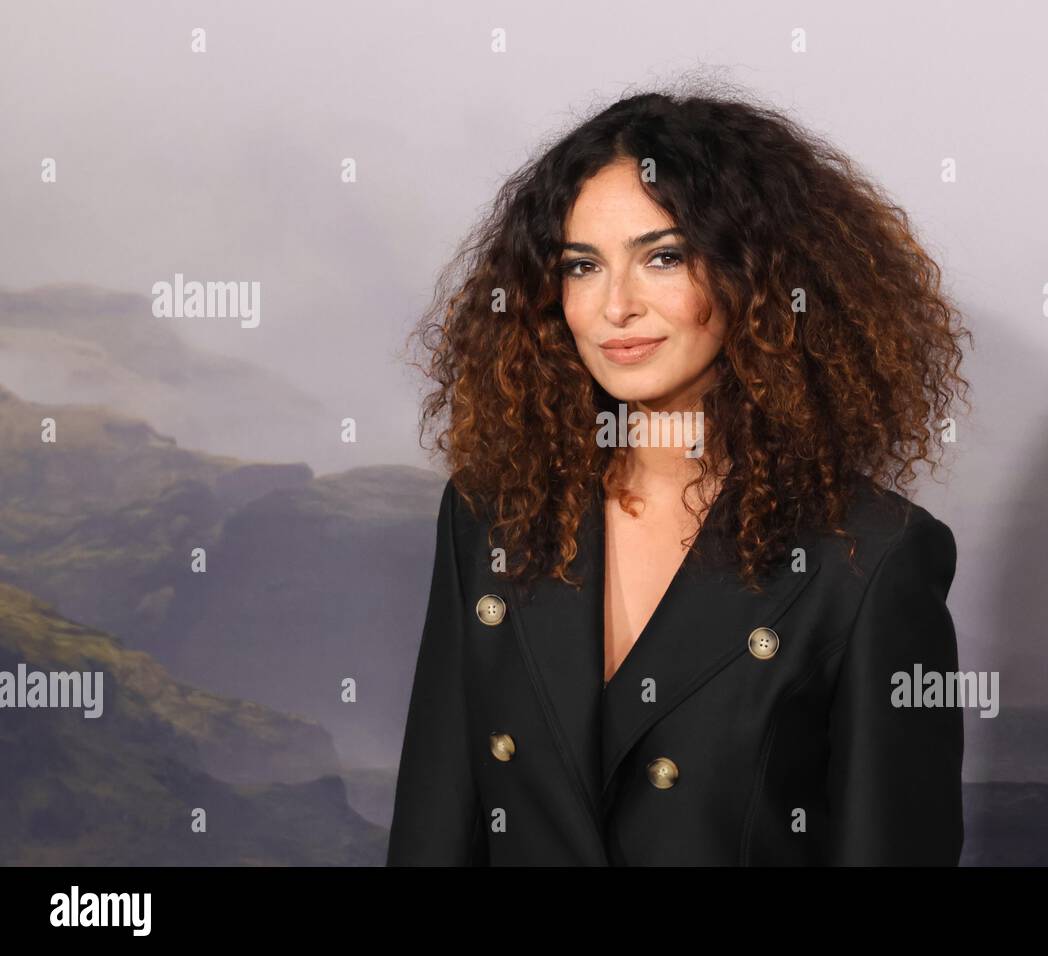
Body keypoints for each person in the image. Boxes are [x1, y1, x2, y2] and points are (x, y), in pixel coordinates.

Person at [388, 81, 973, 866]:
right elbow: (434, 827)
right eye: (582, 267)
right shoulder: (491, 513)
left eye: (663, 257)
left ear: (756, 279)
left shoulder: (869, 556)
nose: (615, 307)